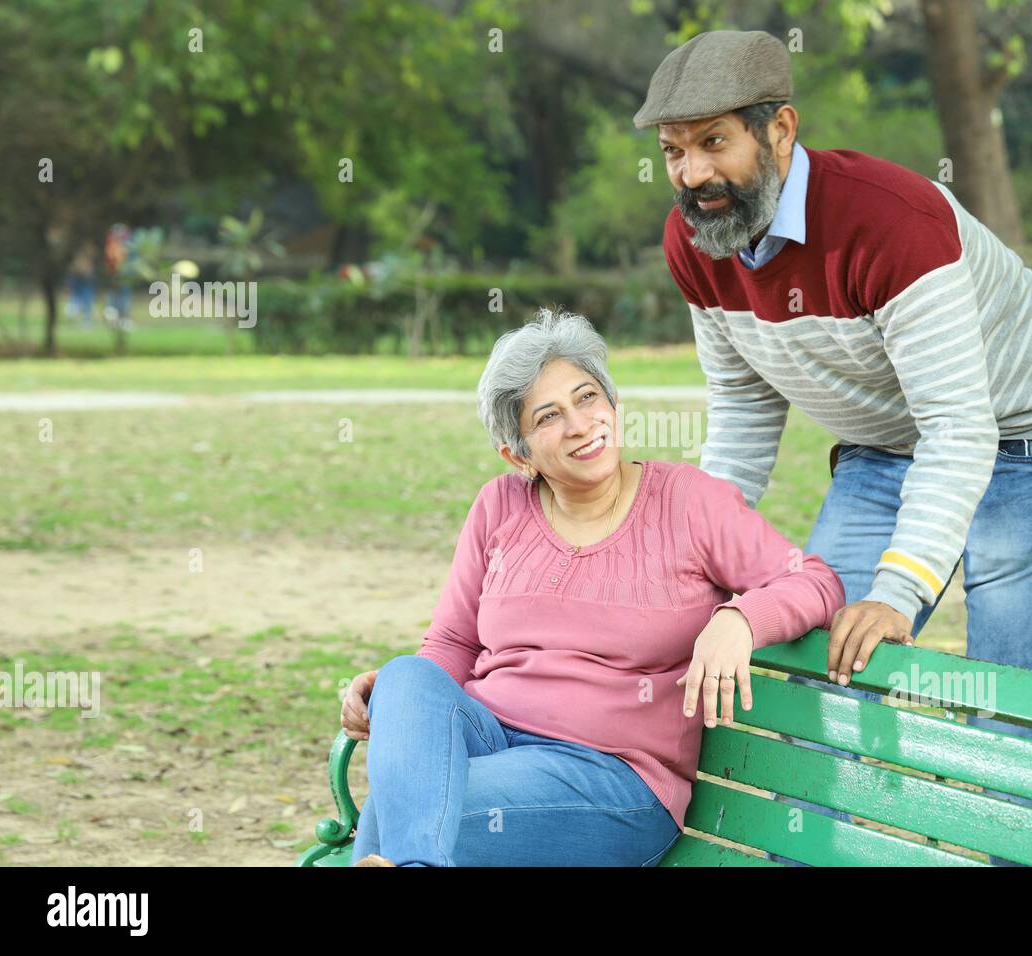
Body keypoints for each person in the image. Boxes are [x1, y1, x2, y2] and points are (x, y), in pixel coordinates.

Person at [635, 30, 1032, 865]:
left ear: (779, 131)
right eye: (674, 152)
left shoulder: (892, 221)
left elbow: (960, 427)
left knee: (1006, 708)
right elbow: (741, 414)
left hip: (1027, 439)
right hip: (882, 446)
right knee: (816, 672)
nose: (692, 174)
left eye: (713, 144)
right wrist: (687, 558)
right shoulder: (698, 244)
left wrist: (897, 590)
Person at [340, 307, 844, 866]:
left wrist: (741, 618)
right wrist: (403, 711)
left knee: (411, 809)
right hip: (488, 738)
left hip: (610, 780)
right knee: (405, 678)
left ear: (612, 403)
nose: (581, 424)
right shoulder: (499, 506)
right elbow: (452, 644)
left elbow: (814, 580)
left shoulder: (688, 502)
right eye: (549, 416)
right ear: (518, 455)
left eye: (587, 398)